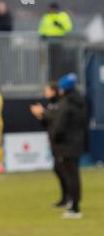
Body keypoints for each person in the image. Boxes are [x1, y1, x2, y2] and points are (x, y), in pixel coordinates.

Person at [33, 74, 87, 219]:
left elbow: (59, 125)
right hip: (77, 142)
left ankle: (74, 208)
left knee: (70, 176)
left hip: (66, 145)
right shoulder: (80, 101)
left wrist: (54, 138)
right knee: (72, 174)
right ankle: (73, 204)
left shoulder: (65, 104)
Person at [30, 84, 71, 209]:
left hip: (62, 143)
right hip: (54, 141)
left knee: (63, 170)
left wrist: (44, 112)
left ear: (53, 91)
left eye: (47, 90)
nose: (45, 92)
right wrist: (40, 116)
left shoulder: (60, 104)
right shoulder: (50, 105)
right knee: (58, 169)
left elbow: (57, 120)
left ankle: (69, 198)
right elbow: (47, 123)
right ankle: (64, 198)